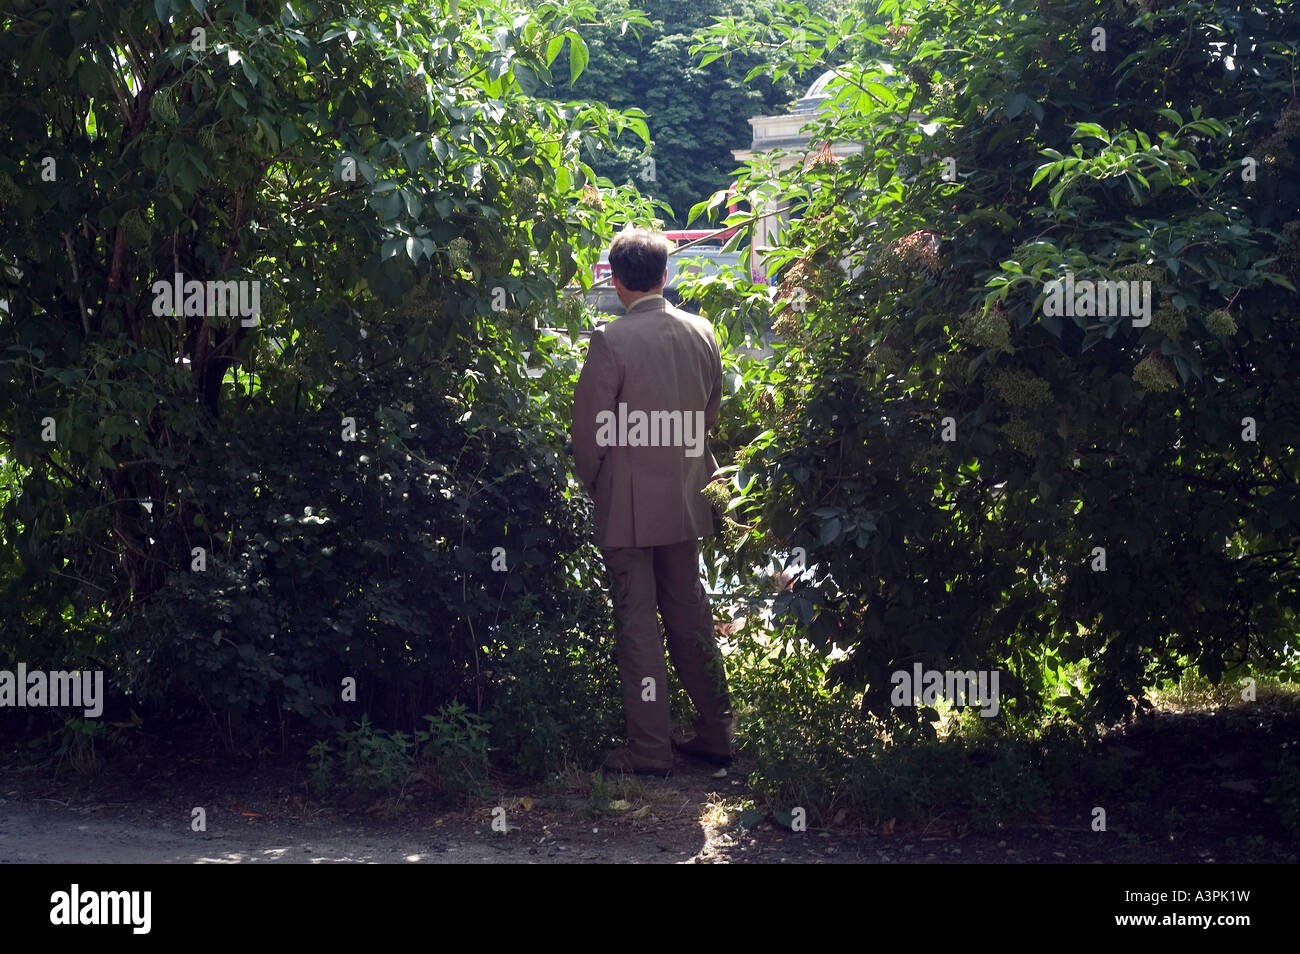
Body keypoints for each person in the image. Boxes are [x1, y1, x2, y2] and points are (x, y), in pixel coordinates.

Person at [571, 228, 735, 776]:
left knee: (637, 621)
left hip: (628, 504)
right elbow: (708, 418)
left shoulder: (609, 341)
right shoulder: (702, 331)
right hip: (687, 496)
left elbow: (590, 437)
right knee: (690, 613)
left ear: (615, 282)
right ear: (667, 275)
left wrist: (598, 483)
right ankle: (717, 731)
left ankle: (648, 748)